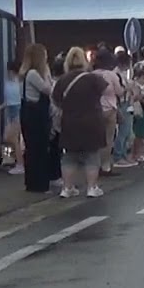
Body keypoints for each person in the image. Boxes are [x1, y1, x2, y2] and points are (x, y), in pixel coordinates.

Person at [52, 47, 108, 198]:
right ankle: (92, 187)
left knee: (69, 156)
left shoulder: (62, 81)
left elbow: (56, 101)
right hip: (92, 121)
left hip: (70, 122)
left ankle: (67, 188)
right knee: (92, 156)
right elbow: (105, 92)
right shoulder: (93, 79)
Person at [18, 45, 55, 193]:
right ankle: (39, 184)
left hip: (30, 114)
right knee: (38, 149)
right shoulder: (33, 74)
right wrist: (47, 74)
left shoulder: (26, 73)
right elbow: (48, 89)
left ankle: (33, 182)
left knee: (33, 149)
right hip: (36, 116)